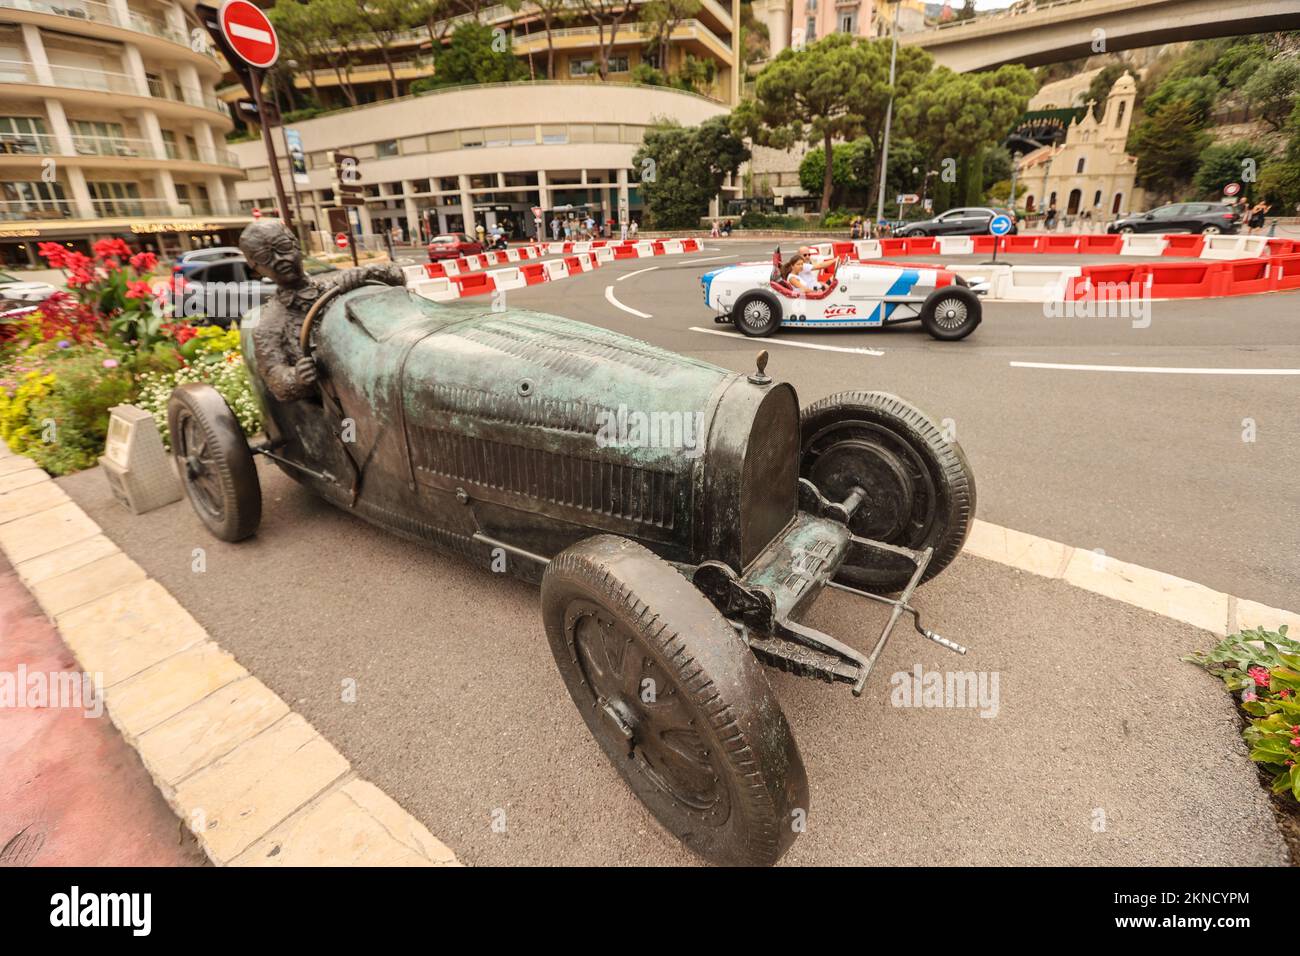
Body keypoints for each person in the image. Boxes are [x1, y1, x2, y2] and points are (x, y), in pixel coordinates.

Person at [238, 220, 405, 403]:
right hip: (333, 408)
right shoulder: (268, 325)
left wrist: (368, 273)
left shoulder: (338, 286)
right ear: (256, 268)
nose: (279, 259)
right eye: (264, 257)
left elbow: (397, 276)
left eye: (283, 247)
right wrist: (296, 377)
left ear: (296, 246)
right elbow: (275, 378)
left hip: (378, 381)